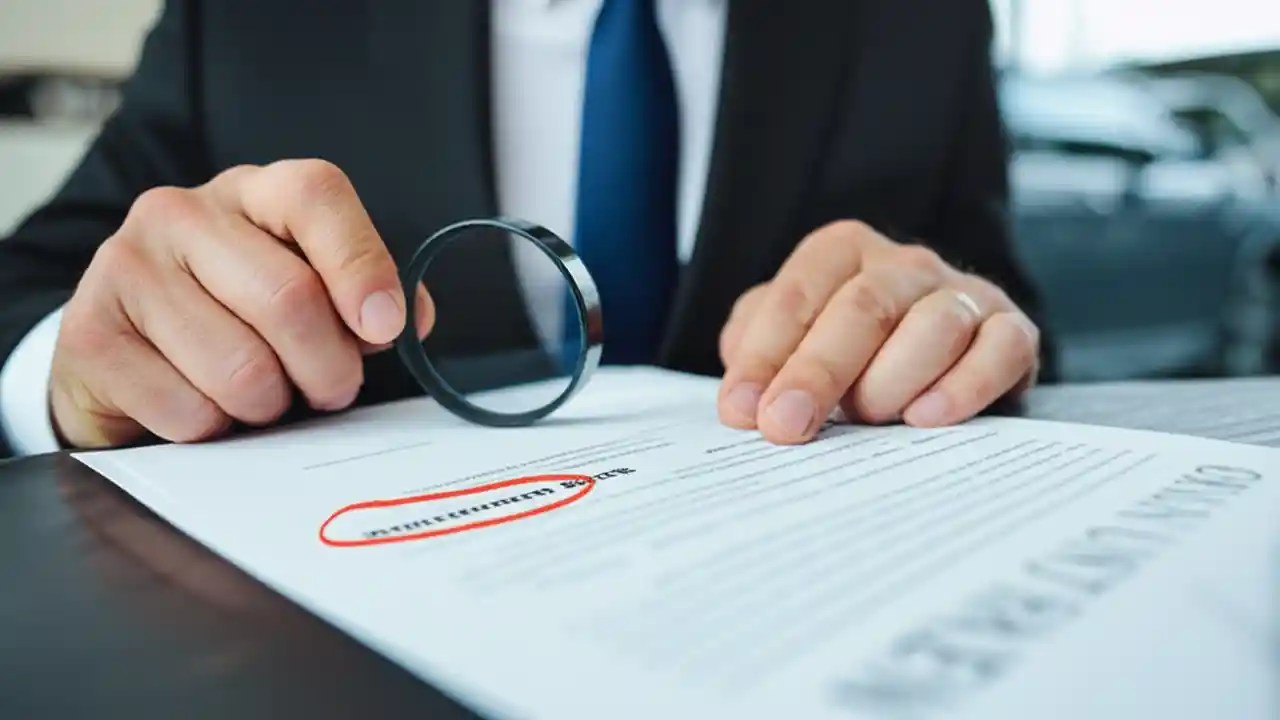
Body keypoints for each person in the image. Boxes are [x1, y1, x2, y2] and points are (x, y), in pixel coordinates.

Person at [0, 0, 1050, 458]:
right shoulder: (255, 12)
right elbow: (30, 291)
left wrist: (956, 322)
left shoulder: (920, 12)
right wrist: (73, 373)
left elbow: (996, 296)